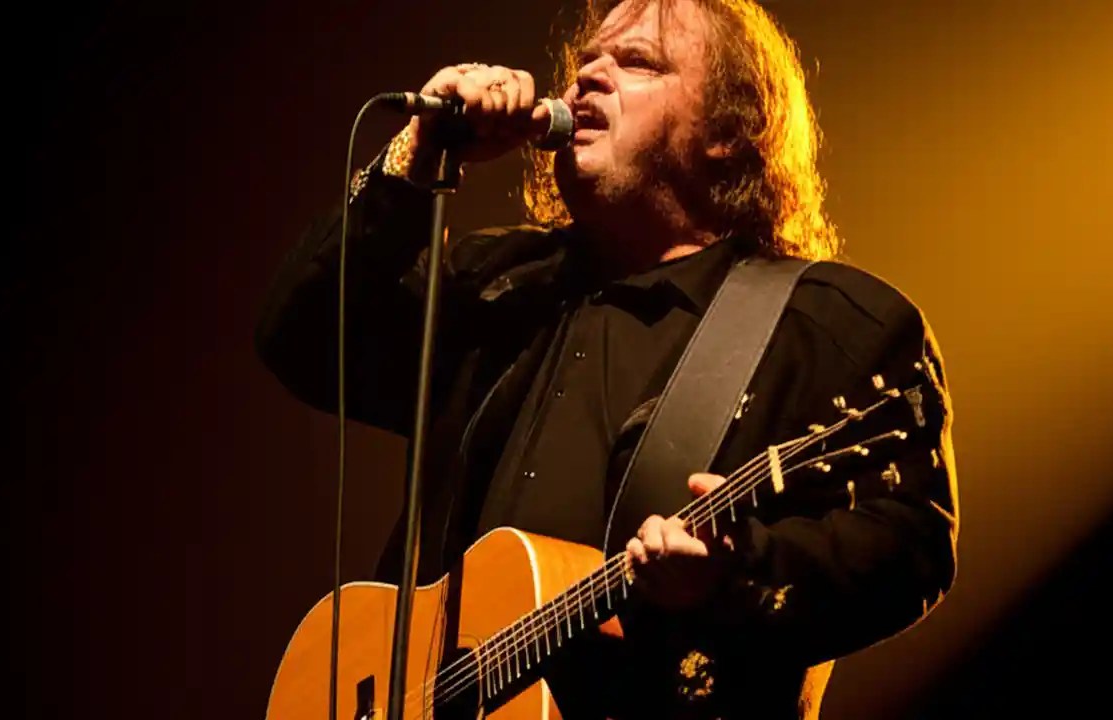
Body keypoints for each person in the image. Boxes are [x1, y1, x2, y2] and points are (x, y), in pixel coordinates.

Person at [255, 0, 959, 717]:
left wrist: (732, 574)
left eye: (637, 62)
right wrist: (421, 152)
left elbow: (911, 547)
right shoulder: (498, 286)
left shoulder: (825, 323)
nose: (587, 77)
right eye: (586, 61)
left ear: (727, 130)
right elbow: (299, 335)